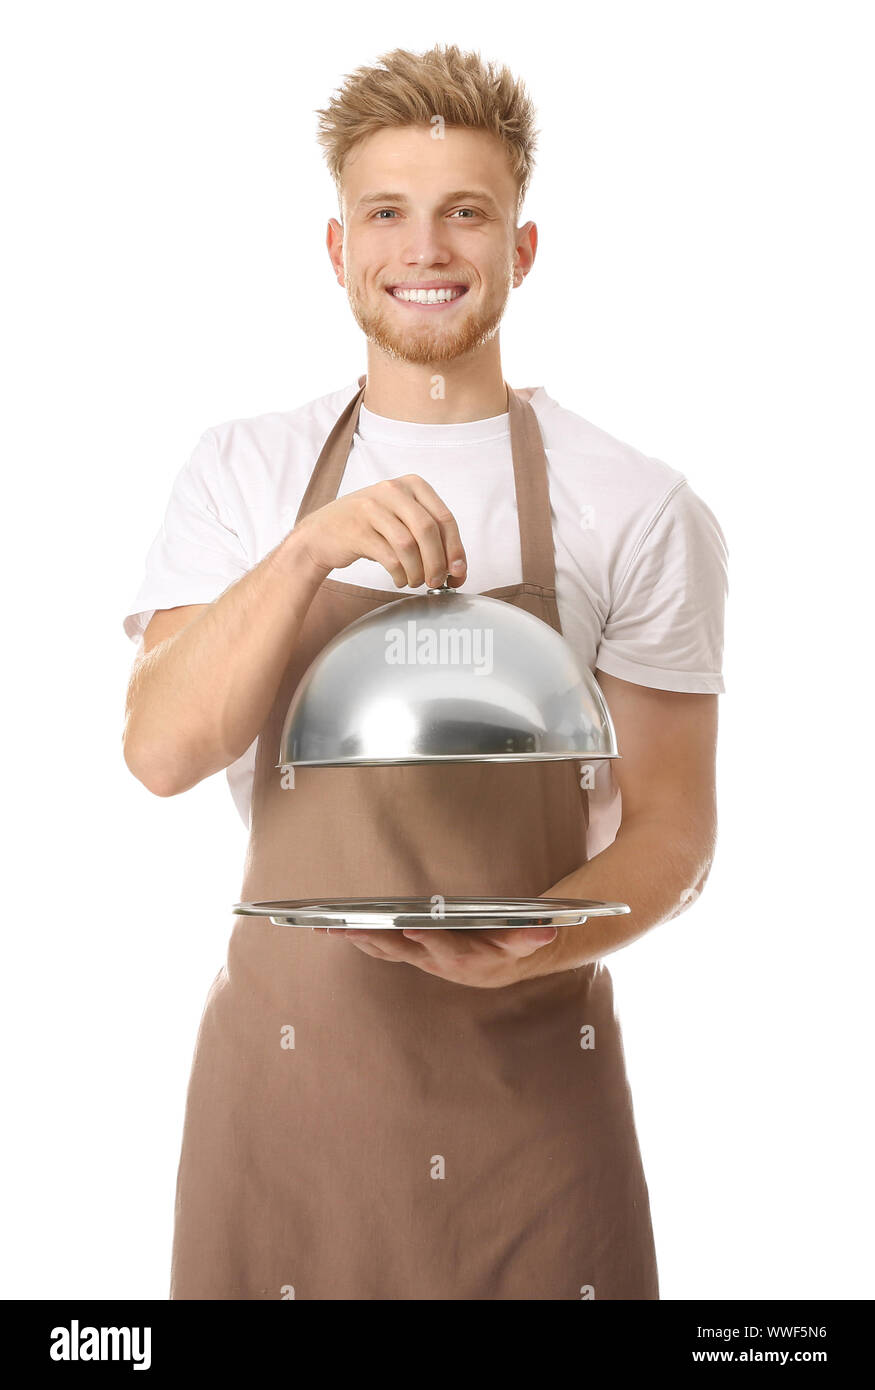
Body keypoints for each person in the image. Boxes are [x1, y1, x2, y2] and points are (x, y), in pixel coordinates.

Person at [122, 43, 728, 1301]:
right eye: (386, 212)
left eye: (468, 212)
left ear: (522, 246)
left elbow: (676, 830)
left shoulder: (635, 503)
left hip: (537, 1085)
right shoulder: (242, 473)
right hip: (285, 1088)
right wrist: (307, 552)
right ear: (339, 249)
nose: (427, 247)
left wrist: (540, 948)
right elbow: (160, 751)